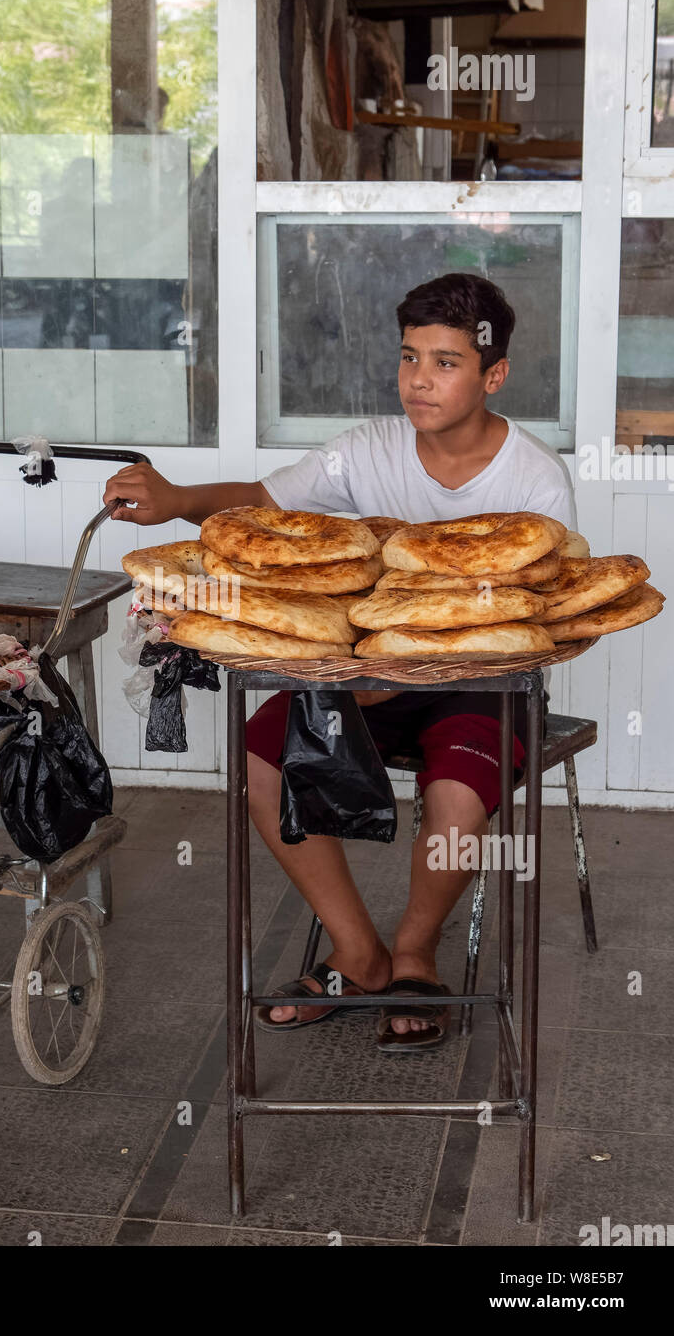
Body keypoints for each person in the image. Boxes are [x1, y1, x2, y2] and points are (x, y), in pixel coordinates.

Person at [103, 272, 576, 1050]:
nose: (419, 379)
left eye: (446, 362)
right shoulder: (367, 449)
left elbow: (533, 616)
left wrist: (387, 682)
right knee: (262, 761)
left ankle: (417, 951)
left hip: (482, 679)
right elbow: (261, 503)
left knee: (456, 794)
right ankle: (356, 951)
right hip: (359, 679)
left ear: (493, 375)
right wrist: (176, 496)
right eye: (408, 356)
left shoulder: (533, 480)